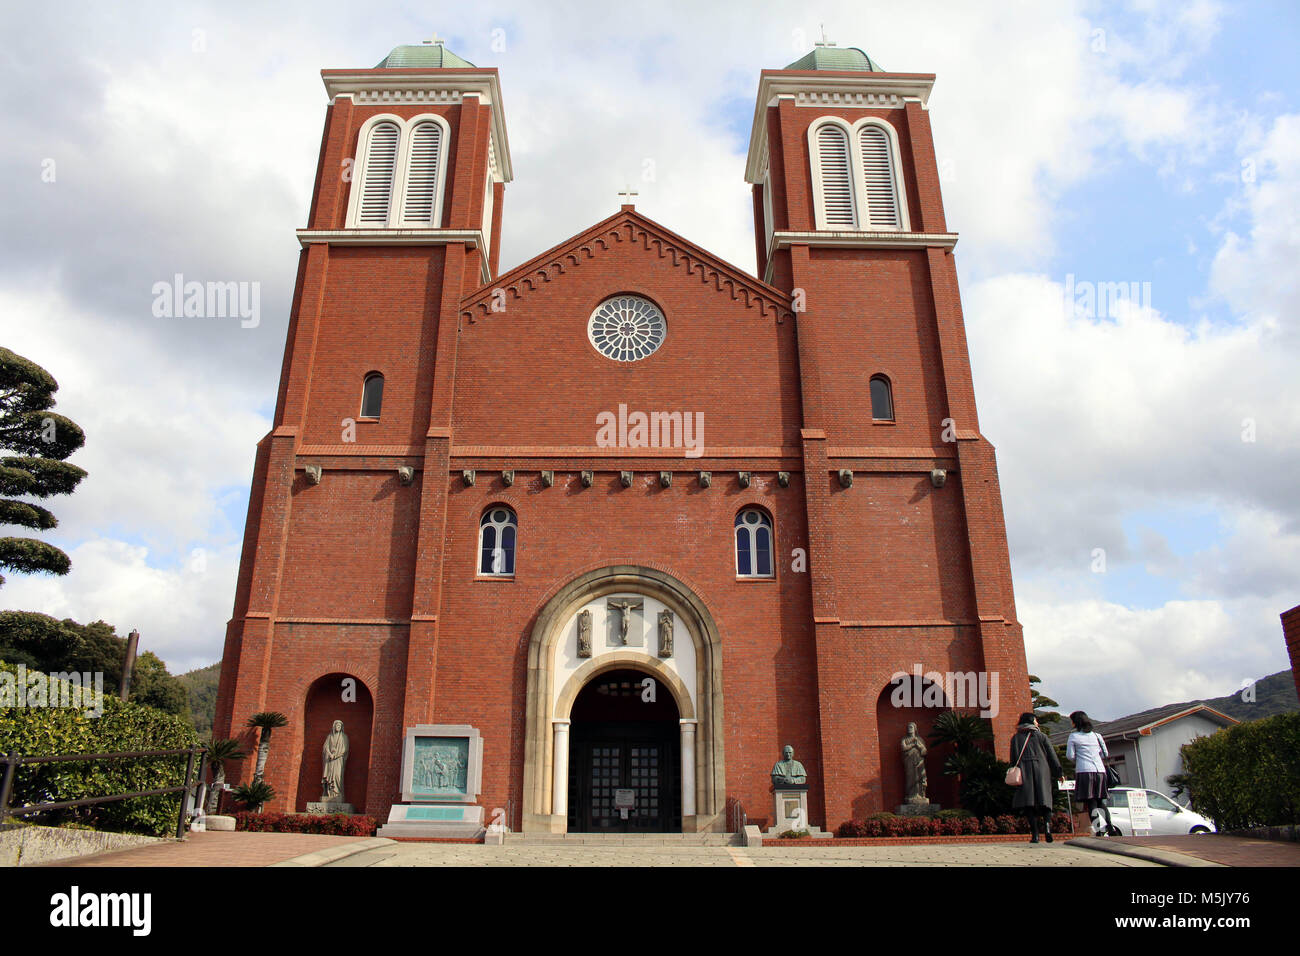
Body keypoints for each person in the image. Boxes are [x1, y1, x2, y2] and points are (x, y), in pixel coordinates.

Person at [1009, 712, 1062, 843]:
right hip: (1042, 770)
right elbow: (1052, 756)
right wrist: (1059, 773)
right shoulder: (1041, 736)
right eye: (1036, 720)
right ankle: (1048, 828)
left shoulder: (1016, 738)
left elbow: (1013, 758)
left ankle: (1035, 835)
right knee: (1045, 801)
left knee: (1029, 803)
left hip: (1024, 770)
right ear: (1032, 721)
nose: (1037, 723)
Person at [1065, 711, 1115, 835]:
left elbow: (1070, 755)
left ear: (1075, 722)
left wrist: (1080, 758)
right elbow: (1105, 754)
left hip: (1085, 771)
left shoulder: (1074, 736)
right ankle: (1110, 827)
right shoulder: (1097, 735)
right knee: (1100, 801)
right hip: (1100, 771)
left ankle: (1098, 830)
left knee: (1091, 802)